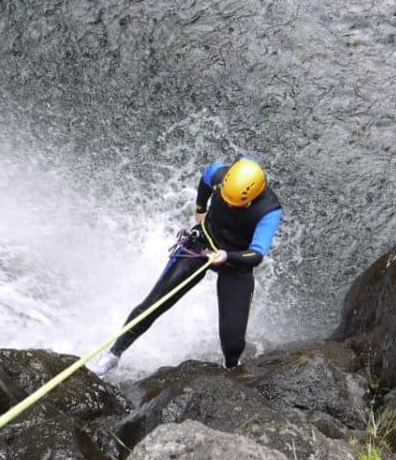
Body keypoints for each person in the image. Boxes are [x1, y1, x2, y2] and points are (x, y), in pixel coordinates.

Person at [98, 159, 283, 373]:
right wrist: (200, 208)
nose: (230, 204)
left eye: (235, 203)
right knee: (154, 304)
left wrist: (227, 255)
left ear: (252, 197)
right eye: (226, 198)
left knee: (233, 342)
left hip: (235, 262)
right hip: (201, 244)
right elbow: (205, 180)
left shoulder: (269, 210)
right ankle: (113, 354)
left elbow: (256, 254)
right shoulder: (219, 176)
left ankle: (231, 368)